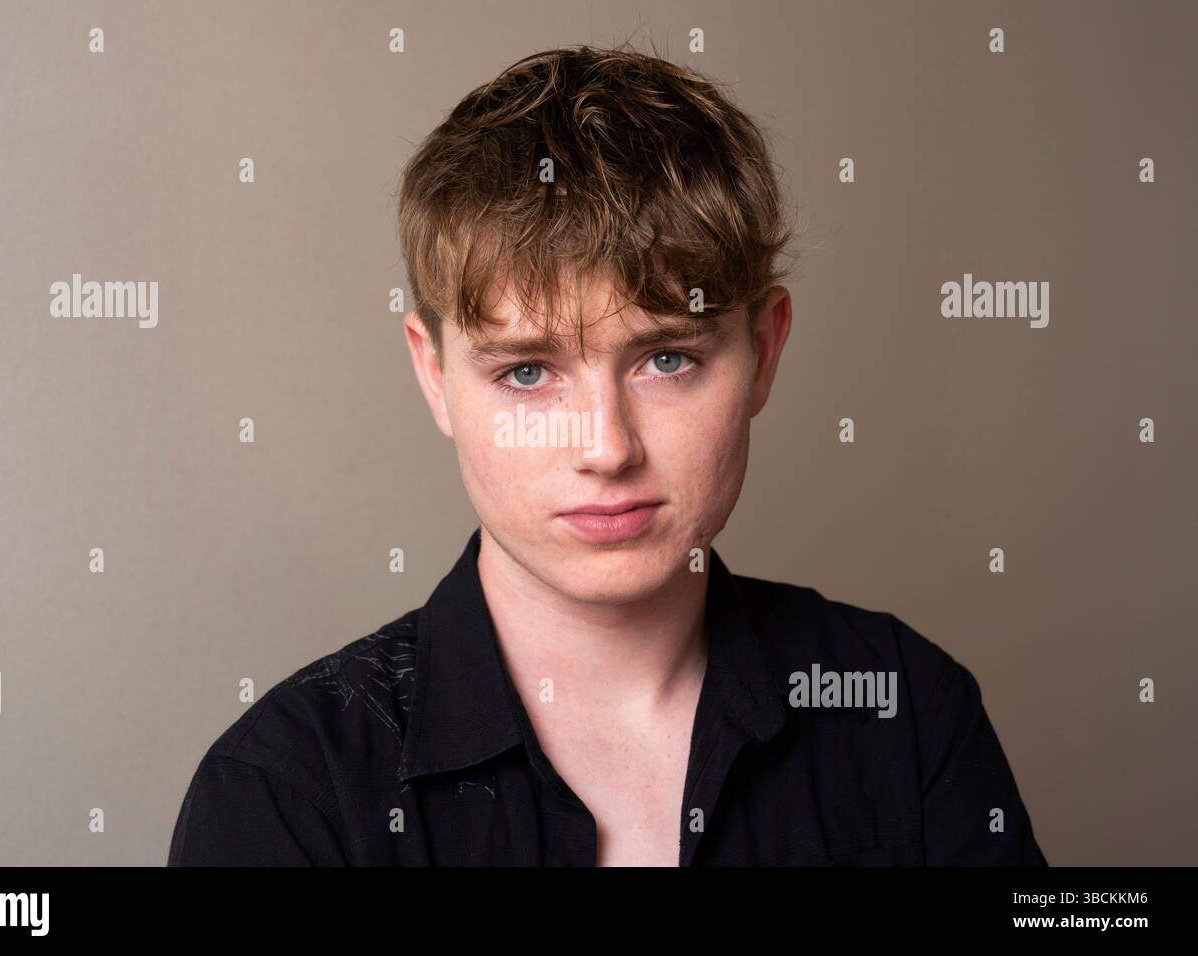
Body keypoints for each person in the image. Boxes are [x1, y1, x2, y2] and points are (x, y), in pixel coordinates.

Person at [168, 43, 1046, 866]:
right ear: (434, 375)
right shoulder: (286, 795)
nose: (606, 447)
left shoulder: (906, 712)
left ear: (764, 352)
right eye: (525, 372)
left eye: (668, 359)